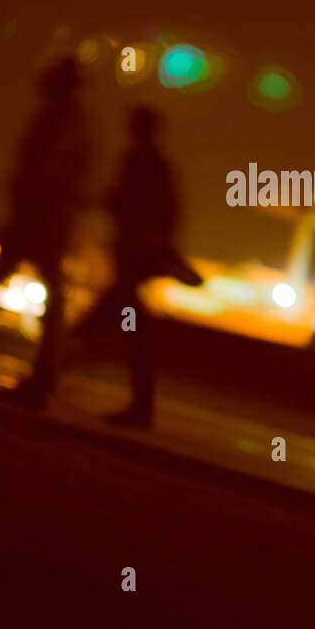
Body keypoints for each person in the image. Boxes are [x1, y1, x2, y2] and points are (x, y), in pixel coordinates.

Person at [78, 105, 200, 428]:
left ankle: (51, 374)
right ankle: (139, 405)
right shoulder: (155, 164)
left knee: (116, 322)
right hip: (136, 257)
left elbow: (124, 203)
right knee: (127, 325)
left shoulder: (141, 161)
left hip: (133, 256)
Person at [0, 56, 94, 410]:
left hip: (43, 213)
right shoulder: (72, 121)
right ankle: (48, 373)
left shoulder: (60, 120)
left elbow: (44, 168)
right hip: (48, 213)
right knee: (50, 290)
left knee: (48, 291)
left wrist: (29, 204)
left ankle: (47, 375)